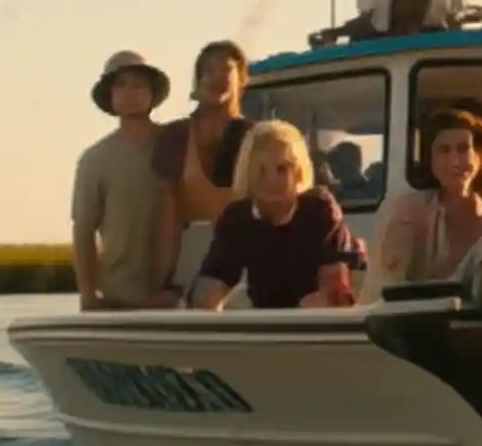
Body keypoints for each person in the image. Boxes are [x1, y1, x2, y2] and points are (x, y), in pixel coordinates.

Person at [192, 120, 360, 310]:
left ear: (297, 172)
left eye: (282, 169)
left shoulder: (319, 210)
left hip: (323, 321)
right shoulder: (237, 219)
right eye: (261, 170)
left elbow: (334, 294)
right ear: (248, 173)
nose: (272, 181)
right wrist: (204, 306)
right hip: (270, 321)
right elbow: (212, 283)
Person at [359, 109, 482, 304]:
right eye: (444, 150)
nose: (455, 161)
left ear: (479, 156)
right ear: (431, 160)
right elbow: (383, 289)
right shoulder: (404, 211)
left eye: (463, 149)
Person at [72, 51, 178, 311]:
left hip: (177, 293)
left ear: (152, 93)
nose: (129, 92)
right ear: (110, 95)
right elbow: (83, 230)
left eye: (138, 84)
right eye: (120, 85)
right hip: (120, 295)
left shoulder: (177, 143)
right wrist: (87, 295)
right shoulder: (94, 159)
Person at [150, 41, 254, 300]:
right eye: (208, 71)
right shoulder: (175, 136)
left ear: (242, 80)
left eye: (226, 70)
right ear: (197, 82)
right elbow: (167, 219)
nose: (217, 77)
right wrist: (162, 283)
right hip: (189, 267)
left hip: (247, 270)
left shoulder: (256, 136)